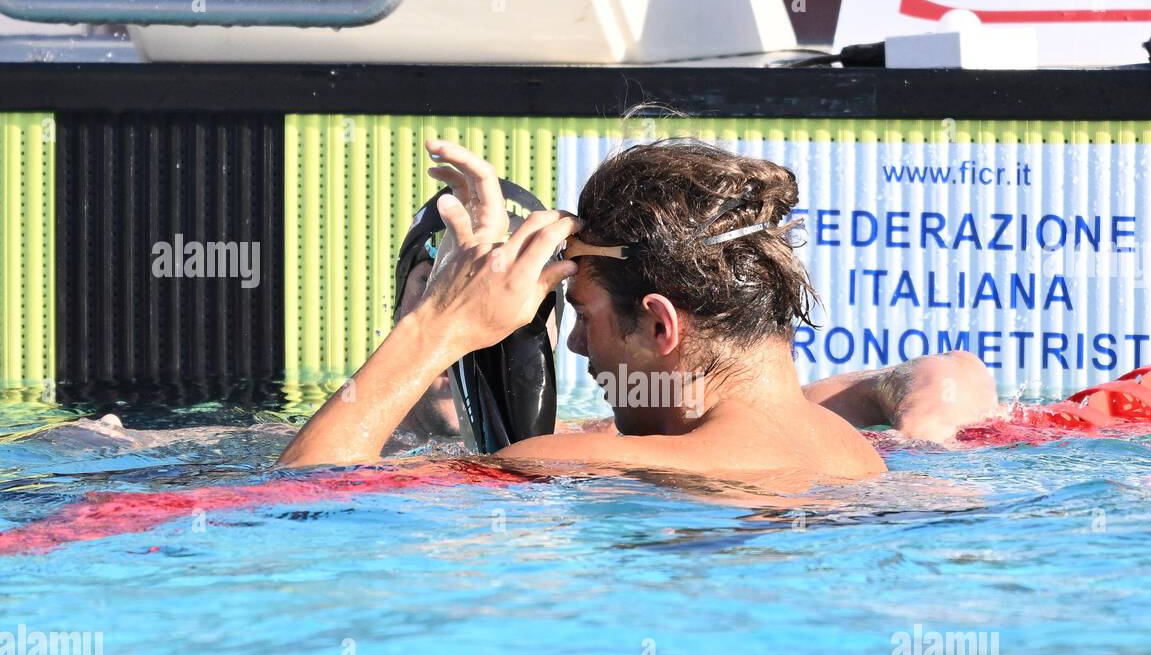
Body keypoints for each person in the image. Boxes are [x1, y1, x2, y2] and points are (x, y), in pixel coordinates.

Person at [276, 138, 996, 487]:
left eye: (582, 314)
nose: (581, 349)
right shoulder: (853, 455)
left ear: (660, 325)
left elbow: (304, 499)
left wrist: (438, 326)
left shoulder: (575, 463)